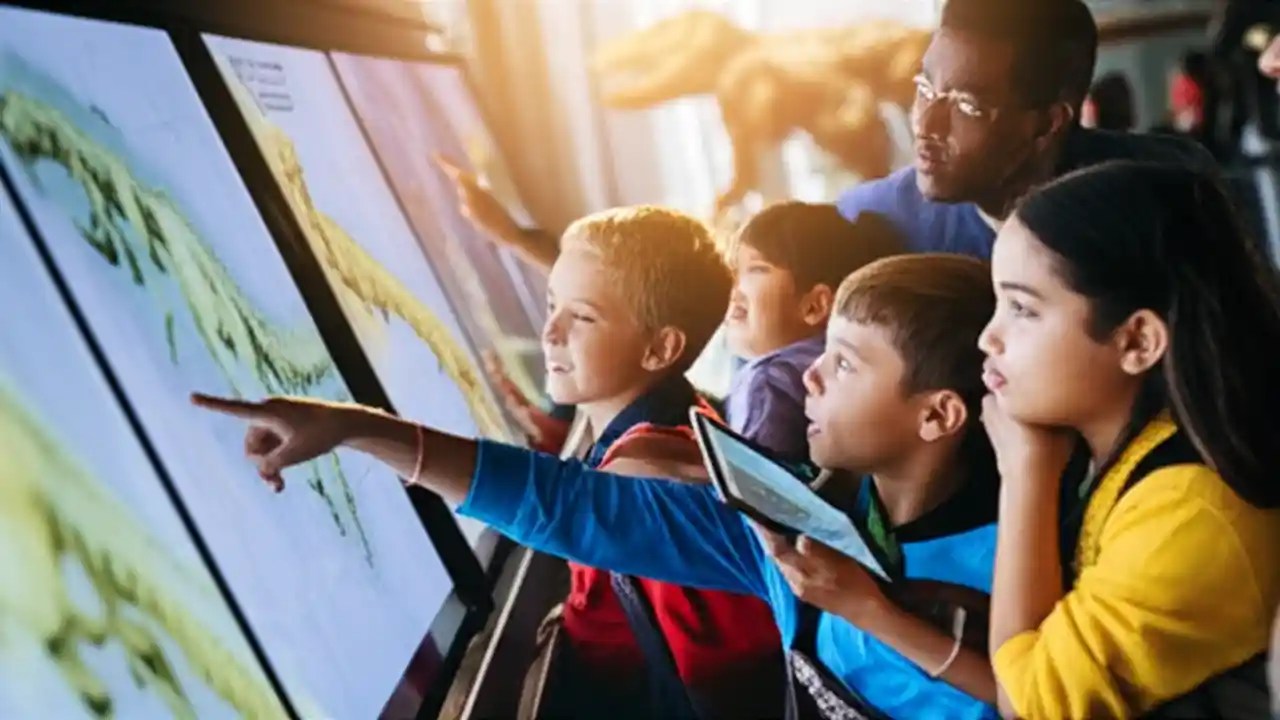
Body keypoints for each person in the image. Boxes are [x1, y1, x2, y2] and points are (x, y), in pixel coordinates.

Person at [194, 253, 1006, 719]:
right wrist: (354, 428)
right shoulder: (796, 520)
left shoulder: (1015, 567)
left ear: (938, 416)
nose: (811, 380)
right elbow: (573, 509)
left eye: (848, 363)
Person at [360, 205, 788, 718]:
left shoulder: (645, 470)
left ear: (660, 348)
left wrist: (358, 429)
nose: (550, 331)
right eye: (550, 304)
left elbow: (557, 505)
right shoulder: (681, 414)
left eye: (581, 317)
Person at [440, 0, 1213, 273]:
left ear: (1049, 122)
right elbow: (707, 275)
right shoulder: (883, 219)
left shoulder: (1174, 190)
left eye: (965, 107)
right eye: (922, 89)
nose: (926, 124)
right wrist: (519, 238)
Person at [978, 161, 1280, 719]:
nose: (988, 337)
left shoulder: (1193, 511)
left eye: (1022, 308)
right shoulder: (1124, 449)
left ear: (1137, 340)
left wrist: (1026, 473)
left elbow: (1028, 705)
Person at [722, 202, 905, 461]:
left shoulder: (767, 382)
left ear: (814, 305)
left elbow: (751, 492)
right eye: (733, 272)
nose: (733, 288)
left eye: (756, 269)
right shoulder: (850, 362)